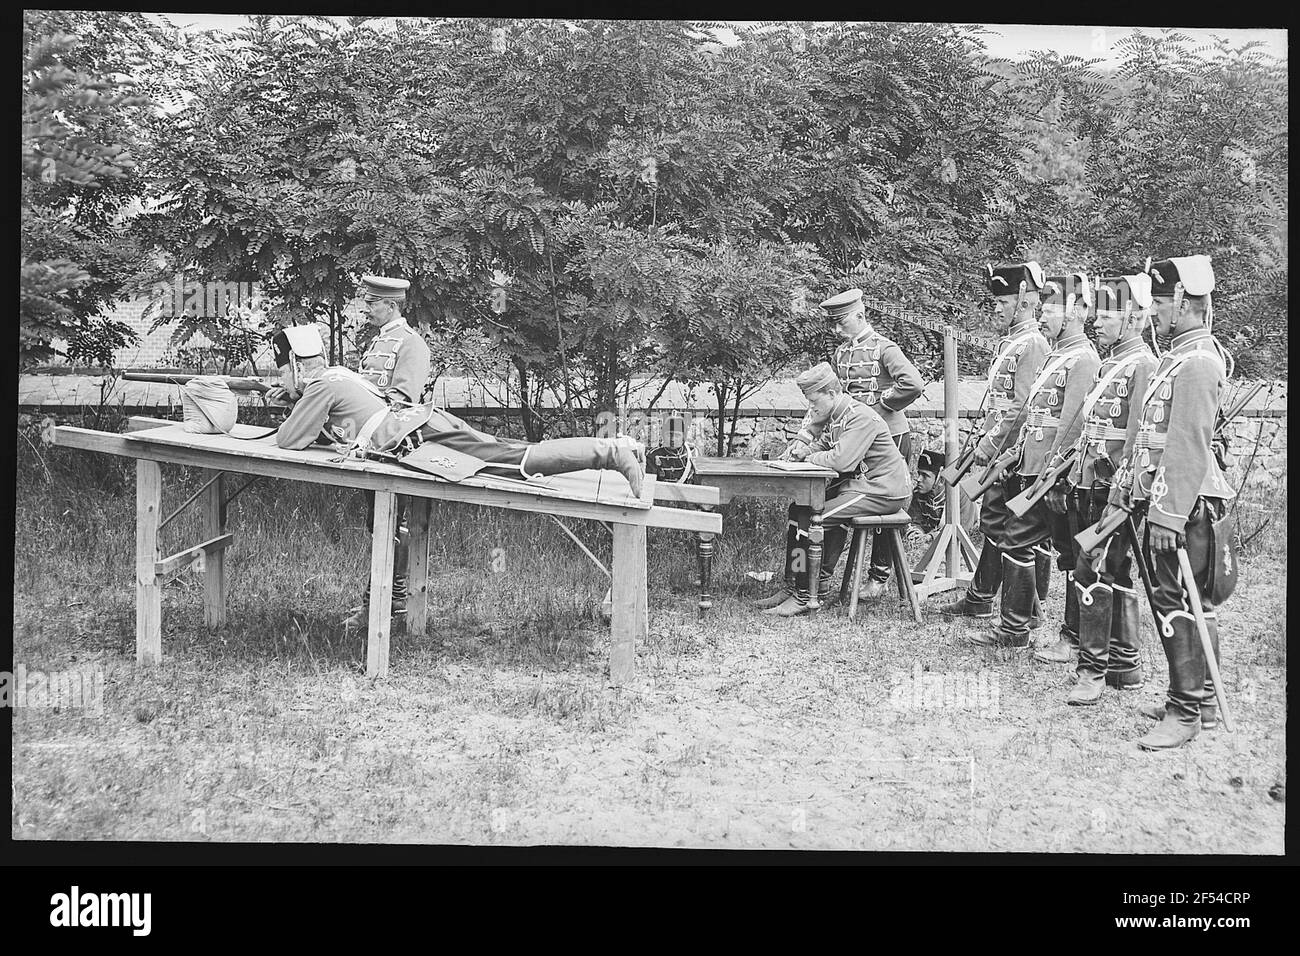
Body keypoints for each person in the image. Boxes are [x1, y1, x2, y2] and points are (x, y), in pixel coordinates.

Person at [265, 326, 645, 571]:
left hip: (421, 437)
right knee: (519, 450)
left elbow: (289, 440)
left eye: (283, 372)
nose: (282, 378)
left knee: (520, 463)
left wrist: (294, 401)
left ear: (297, 369)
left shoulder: (317, 386)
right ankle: (614, 446)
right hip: (424, 425)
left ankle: (612, 454)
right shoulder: (339, 376)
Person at [1101, 255, 1237, 750]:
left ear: (1182, 301)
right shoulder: (1181, 355)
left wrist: (1168, 513)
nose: (1153, 311)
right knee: (1183, 599)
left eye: (1160, 302)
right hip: (1175, 499)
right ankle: (1197, 700)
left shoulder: (1199, 360)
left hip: (1188, 502)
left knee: (1178, 599)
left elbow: (1188, 443)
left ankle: (1185, 711)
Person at [787, 289, 924, 600]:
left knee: (883, 507)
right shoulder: (841, 355)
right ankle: (811, 579)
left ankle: (879, 575)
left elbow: (913, 383)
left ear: (860, 315)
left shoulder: (884, 348)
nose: (838, 330)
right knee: (833, 498)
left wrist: (880, 407)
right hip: (850, 437)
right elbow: (830, 400)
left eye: (842, 322)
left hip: (887, 435)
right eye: (833, 325)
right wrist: (805, 437)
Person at [940, 262, 1052, 628]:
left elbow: (1021, 408)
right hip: (998, 447)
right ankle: (982, 597)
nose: (996, 308)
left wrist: (991, 449)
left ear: (1023, 301)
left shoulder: (1033, 343)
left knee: (1015, 528)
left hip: (1014, 452)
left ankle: (1028, 609)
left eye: (1002, 302)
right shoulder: (1012, 342)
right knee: (995, 522)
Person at [1065, 272, 1158, 704]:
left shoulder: (1143, 365)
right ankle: (1125, 664)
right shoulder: (1109, 363)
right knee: (1115, 570)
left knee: (1093, 568)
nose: (1096, 324)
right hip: (1090, 478)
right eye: (1096, 315)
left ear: (1135, 320)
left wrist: (1122, 491)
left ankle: (1092, 669)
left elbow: (1139, 435)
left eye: (1106, 317)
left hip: (1114, 485)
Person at [757, 362, 911, 617]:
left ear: (831, 393)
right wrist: (805, 450)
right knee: (798, 511)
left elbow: (841, 460)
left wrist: (808, 459)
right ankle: (796, 583)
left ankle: (807, 594)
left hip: (882, 490)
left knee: (813, 521)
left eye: (814, 400)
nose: (811, 407)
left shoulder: (859, 416)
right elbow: (828, 444)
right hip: (861, 487)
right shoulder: (840, 415)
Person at [1020, 272, 1101, 660]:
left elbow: (1072, 426)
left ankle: (1072, 638)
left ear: (1073, 312)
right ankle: (1020, 623)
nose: (1041, 316)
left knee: (1071, 556)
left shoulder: (1083, 358)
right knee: (1052, 550)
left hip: (1060, 473)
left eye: (1050, 308)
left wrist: (1057, 477)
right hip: (1037, 465)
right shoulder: (1056, 354)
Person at [343, 276, 432, 627]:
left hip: (394, 444)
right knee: (378, 523)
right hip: (372, 443)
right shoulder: (381, 340)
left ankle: (388, 604)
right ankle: (381, 602)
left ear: (390, 305)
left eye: (372, 303)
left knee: (394, 524)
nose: (367, 309)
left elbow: (404, 402)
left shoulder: (411, 344)